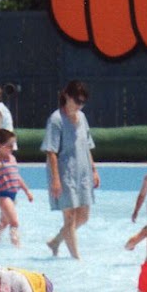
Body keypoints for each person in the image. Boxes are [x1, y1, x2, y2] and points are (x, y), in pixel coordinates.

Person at [42, 80, 100, 259]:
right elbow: (51, 152)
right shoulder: (56, 120)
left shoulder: (82, 118)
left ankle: (55, 241)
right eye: (77, 100)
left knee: (83, 216)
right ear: (66, 96)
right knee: (69, 218)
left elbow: (87, 146)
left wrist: (94, 170)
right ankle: (77, 260)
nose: (79, 105)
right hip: (64, 173)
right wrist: (56, 180)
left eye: (83, 102)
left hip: (82, 172)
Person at [0, 128, 34, 248]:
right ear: (0, 145)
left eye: (13, 145)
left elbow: (17, 177)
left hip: (12, 195)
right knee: (14, 222)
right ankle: (17, 248)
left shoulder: (12, 159)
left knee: (3, 223)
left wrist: (27, 191)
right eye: (9, 146)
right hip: (2, 195)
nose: (12, 148)